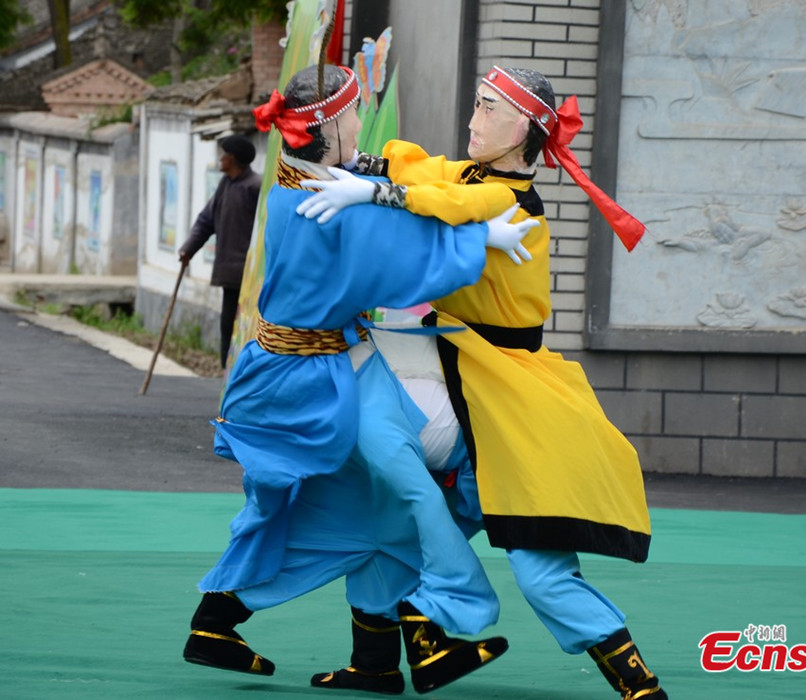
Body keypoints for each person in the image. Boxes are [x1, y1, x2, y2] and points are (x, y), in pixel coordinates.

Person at [298, 66, 668, 699]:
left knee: (538, 563)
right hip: (466, 379)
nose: (472, 120)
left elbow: (453, 204)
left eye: (487, 108)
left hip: (514, 392)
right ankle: (376, 663)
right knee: (395, 532)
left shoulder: (508, 199)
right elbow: (434, 175)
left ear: (523, 126)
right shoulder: (475, 174)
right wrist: (360, 160)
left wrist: (368, 194)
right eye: (474, 104)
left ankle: (639, 687)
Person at [182, 64, 539, 695]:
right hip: (310, 382)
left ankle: (367, 656)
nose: (358, 126)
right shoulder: (325, 205)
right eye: (350, 117)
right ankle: (421, 635)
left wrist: (388, 181)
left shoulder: (302, 180)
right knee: (356, 505)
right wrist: (481, 237)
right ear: (326, 126)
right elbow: (396, 255)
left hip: (293, 373)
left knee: (329, 509)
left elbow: (381, 214)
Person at [178, 134, 262, 368]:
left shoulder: (254, 187)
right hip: (230, 275)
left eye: (222, 154)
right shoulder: (226, 185)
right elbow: (206, 221)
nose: (219, 159)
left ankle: (244, 373)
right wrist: (188, 250)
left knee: (249, 327)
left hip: (251, 275)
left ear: (232, 159)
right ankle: (227, 372)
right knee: (228, 326)